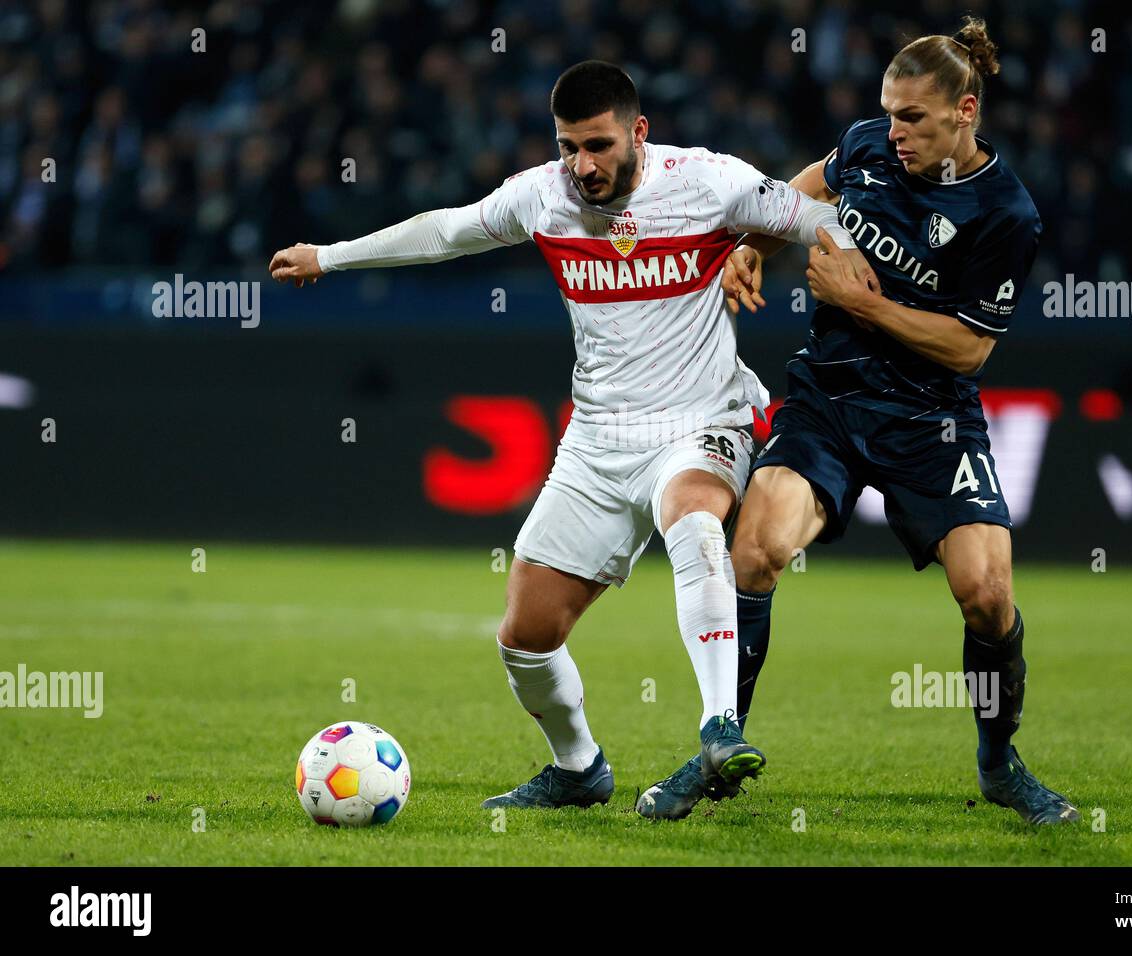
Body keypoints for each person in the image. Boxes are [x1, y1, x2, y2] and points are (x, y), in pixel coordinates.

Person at [269, 60, 866, 812]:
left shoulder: (710, 182)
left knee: (695, 521)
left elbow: (820, 219)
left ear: (638, 132)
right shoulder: (541, 197)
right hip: (597, 440)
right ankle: (580, 769)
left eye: (598, 145)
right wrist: (331, 256)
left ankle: (719, 724)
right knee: (525, 636)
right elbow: (446, 233)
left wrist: (847, 270)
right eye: (567, 148)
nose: (582, 166)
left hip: (703, 419)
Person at [641, 19, 1080, 826]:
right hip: (829, 399)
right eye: (888, 112)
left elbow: (968, 349)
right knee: (755, 552)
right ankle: (717, 743)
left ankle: (998, 761)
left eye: (913, 117)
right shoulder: (870, 146)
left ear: (966, 111)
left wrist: (864, 303)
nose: (896, 130)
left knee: (986, 595)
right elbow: (808, 182)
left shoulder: (1006, 214)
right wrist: (752, 241)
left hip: (931, 418)